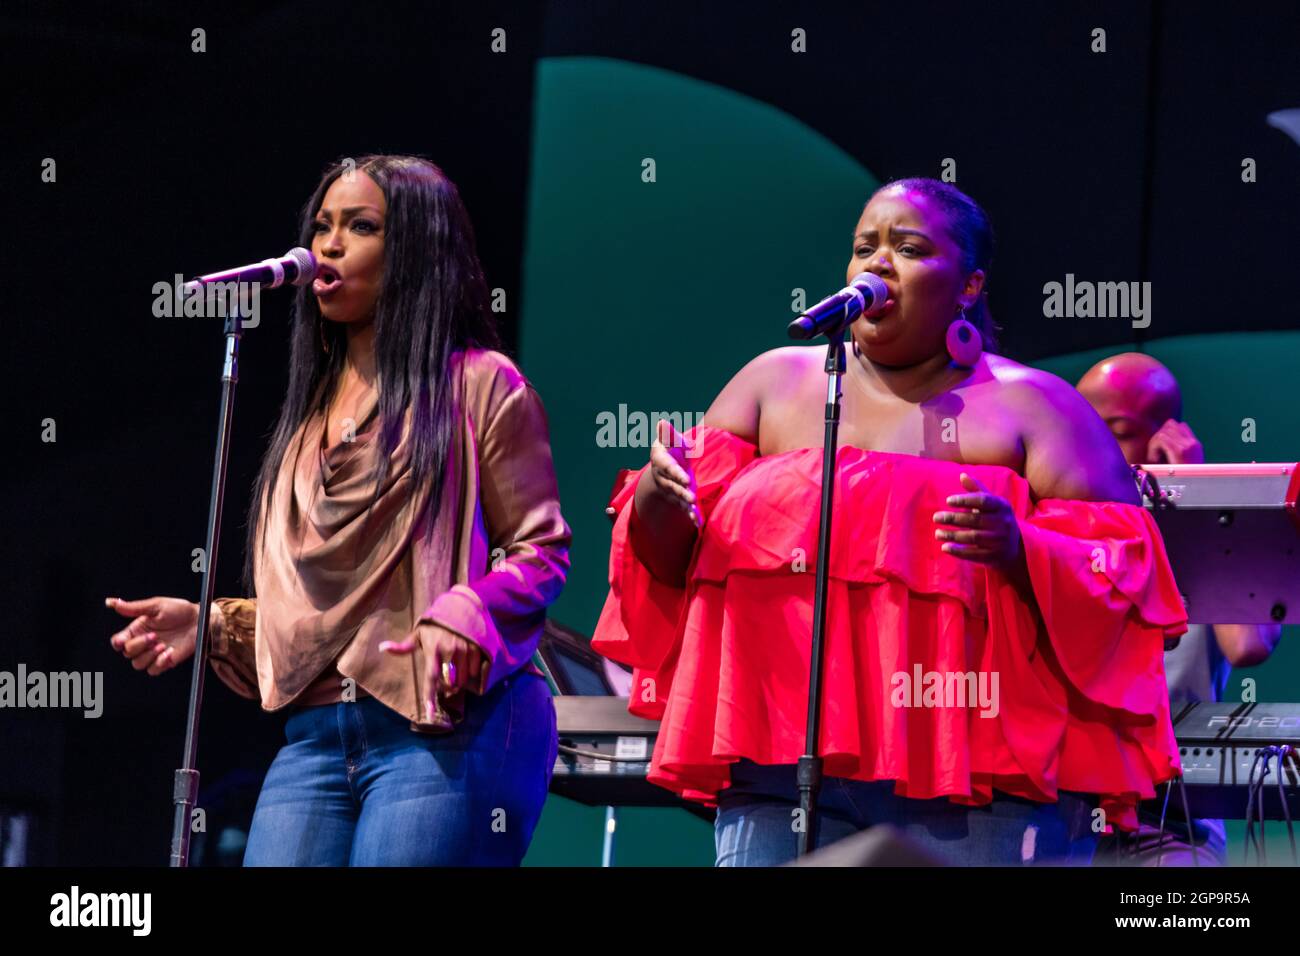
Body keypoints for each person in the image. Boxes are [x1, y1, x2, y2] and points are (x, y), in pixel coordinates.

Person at [591, 177, 1189, 866]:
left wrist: (1022, 550)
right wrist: (656, 505)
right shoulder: (772, 385)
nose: (877, 263)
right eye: (863, 247)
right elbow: (670, 567)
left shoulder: (1035, 408)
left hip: (982, 784)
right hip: (781, 768)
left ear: (968, 286)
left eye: (907, 248)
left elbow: (1126, 577)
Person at [106, 155, 571, 866]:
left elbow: (541, 553)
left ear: (415, 249)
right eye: (322, 226)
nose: (327, 245)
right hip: (316, 737)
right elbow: (341, 619)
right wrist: (212, 623)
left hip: (442, 731)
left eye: (360, 227)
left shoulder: (481, 386)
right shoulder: (306, 426)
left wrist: (470, 610)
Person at [1077, 352, 1282, 865]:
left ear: (1164, 437)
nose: (1087, 447)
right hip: (1067, 816)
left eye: (1113, 430)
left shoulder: (1222, 530)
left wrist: (1196, 498)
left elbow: (1248, 646)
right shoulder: (1057, 524)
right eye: (1081, 427)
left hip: (1173, 822)